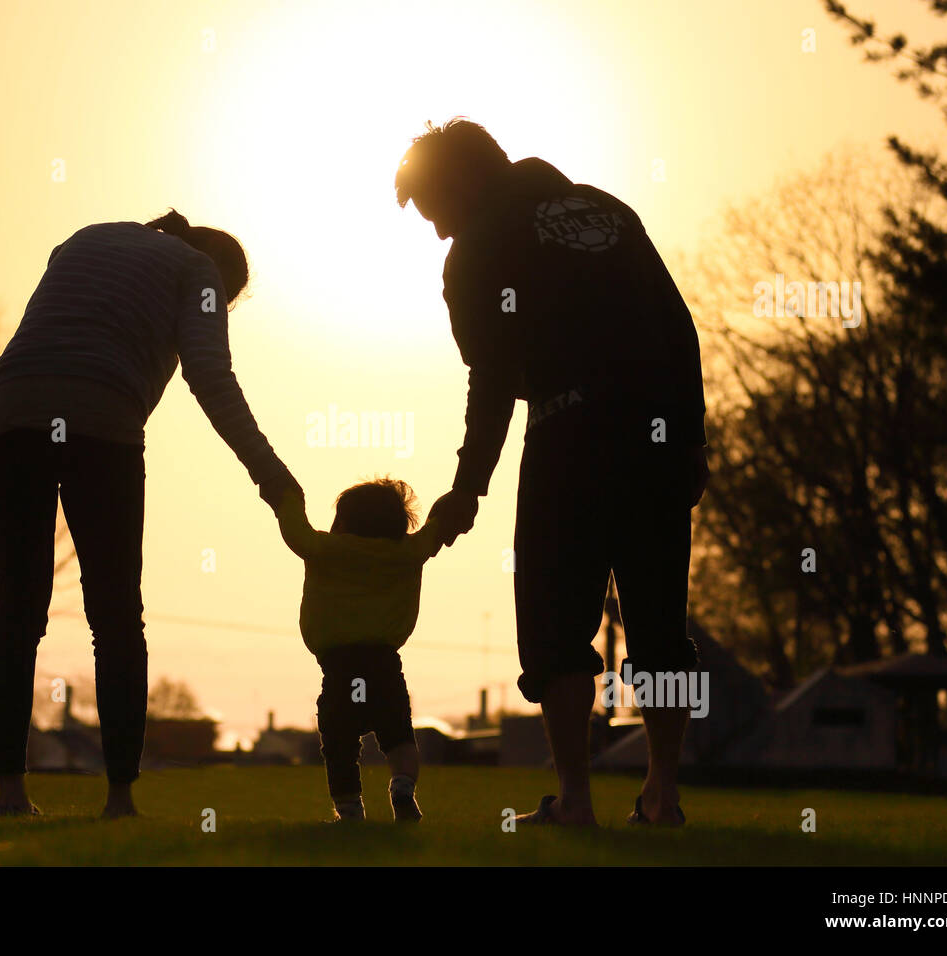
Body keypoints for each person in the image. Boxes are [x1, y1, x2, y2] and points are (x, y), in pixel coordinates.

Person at [395, 119, 709, 826]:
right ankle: (663, 794)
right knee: (660, 621)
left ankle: (575, 800)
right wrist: (691, 436)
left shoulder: (479, 247)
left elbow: (494, 374)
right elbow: (676, 320)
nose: (441, 231)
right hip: (657, 437)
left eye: (437, 210)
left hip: (569, 436)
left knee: (555, 624)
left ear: (464, 182)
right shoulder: (608, 209)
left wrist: (469, 486)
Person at [0, 210, 298, 818]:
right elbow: (210, 375)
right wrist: (270, 473)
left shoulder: (86, 235)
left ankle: (10, 794)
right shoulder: (199, 270)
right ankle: (120, 798)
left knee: (18, 607)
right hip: (102, 419)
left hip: (11, 413)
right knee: (117, 616)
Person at [276, 478, 442, 822]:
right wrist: (456, 502)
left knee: (340, 744)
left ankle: (350, 811)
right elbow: (436, 529)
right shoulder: (407, 553)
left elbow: (295, 531)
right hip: (384, 666)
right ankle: (402, 786)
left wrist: (287, 495)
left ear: (345, 524)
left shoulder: (325, 549)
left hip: (339, 670)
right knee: (399, 737)